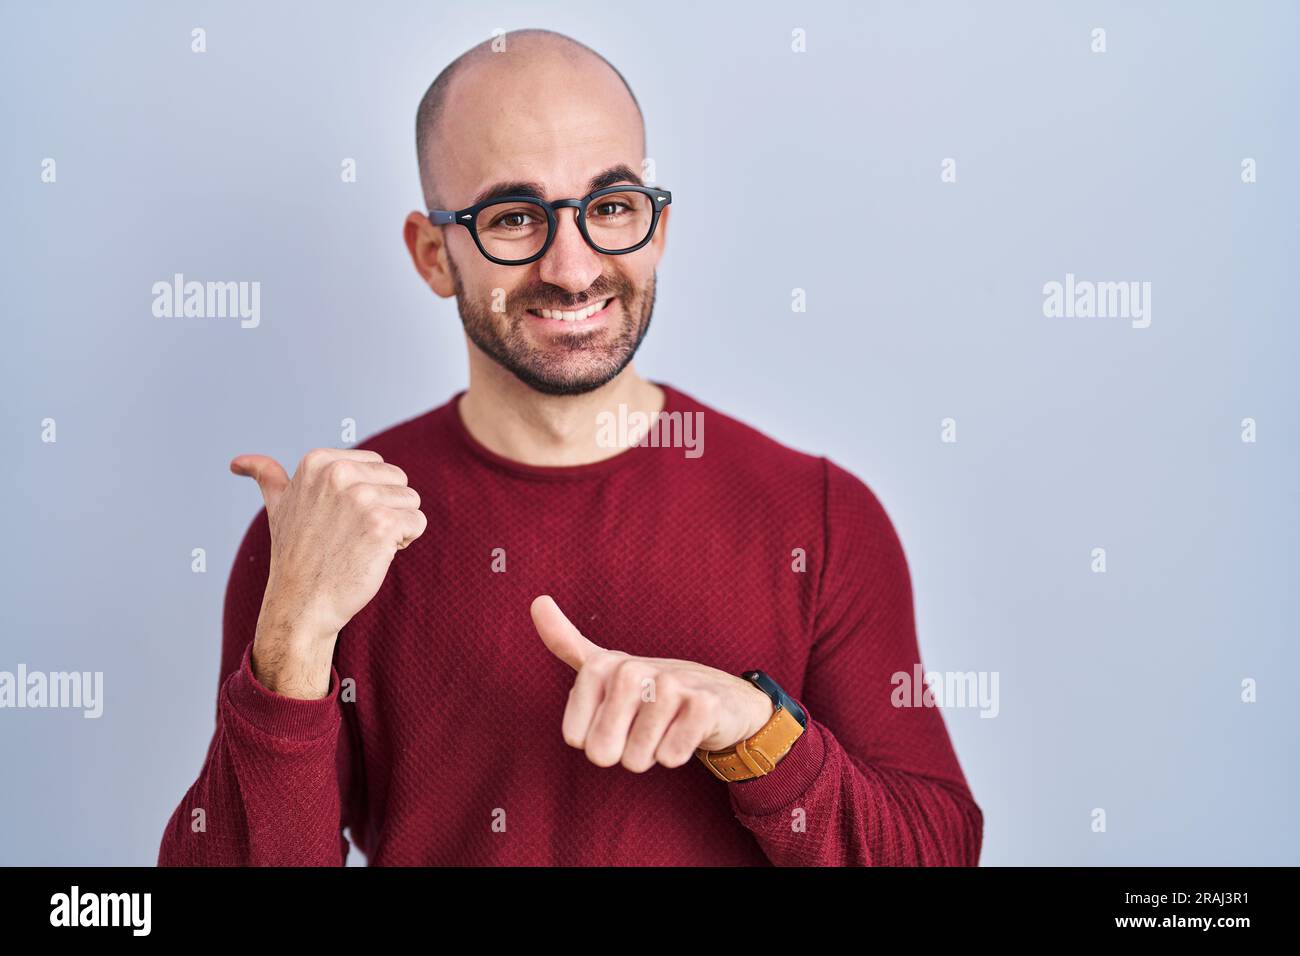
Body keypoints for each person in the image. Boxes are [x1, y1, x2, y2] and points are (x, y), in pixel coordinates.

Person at [157, 28, 982, 866]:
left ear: (657, 228)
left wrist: (758, 732)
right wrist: (292, 644)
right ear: (433, 255)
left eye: (611, 207)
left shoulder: (822, 514)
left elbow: (937, 852)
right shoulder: (323, 536)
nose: (574, 266)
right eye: (513, 217)